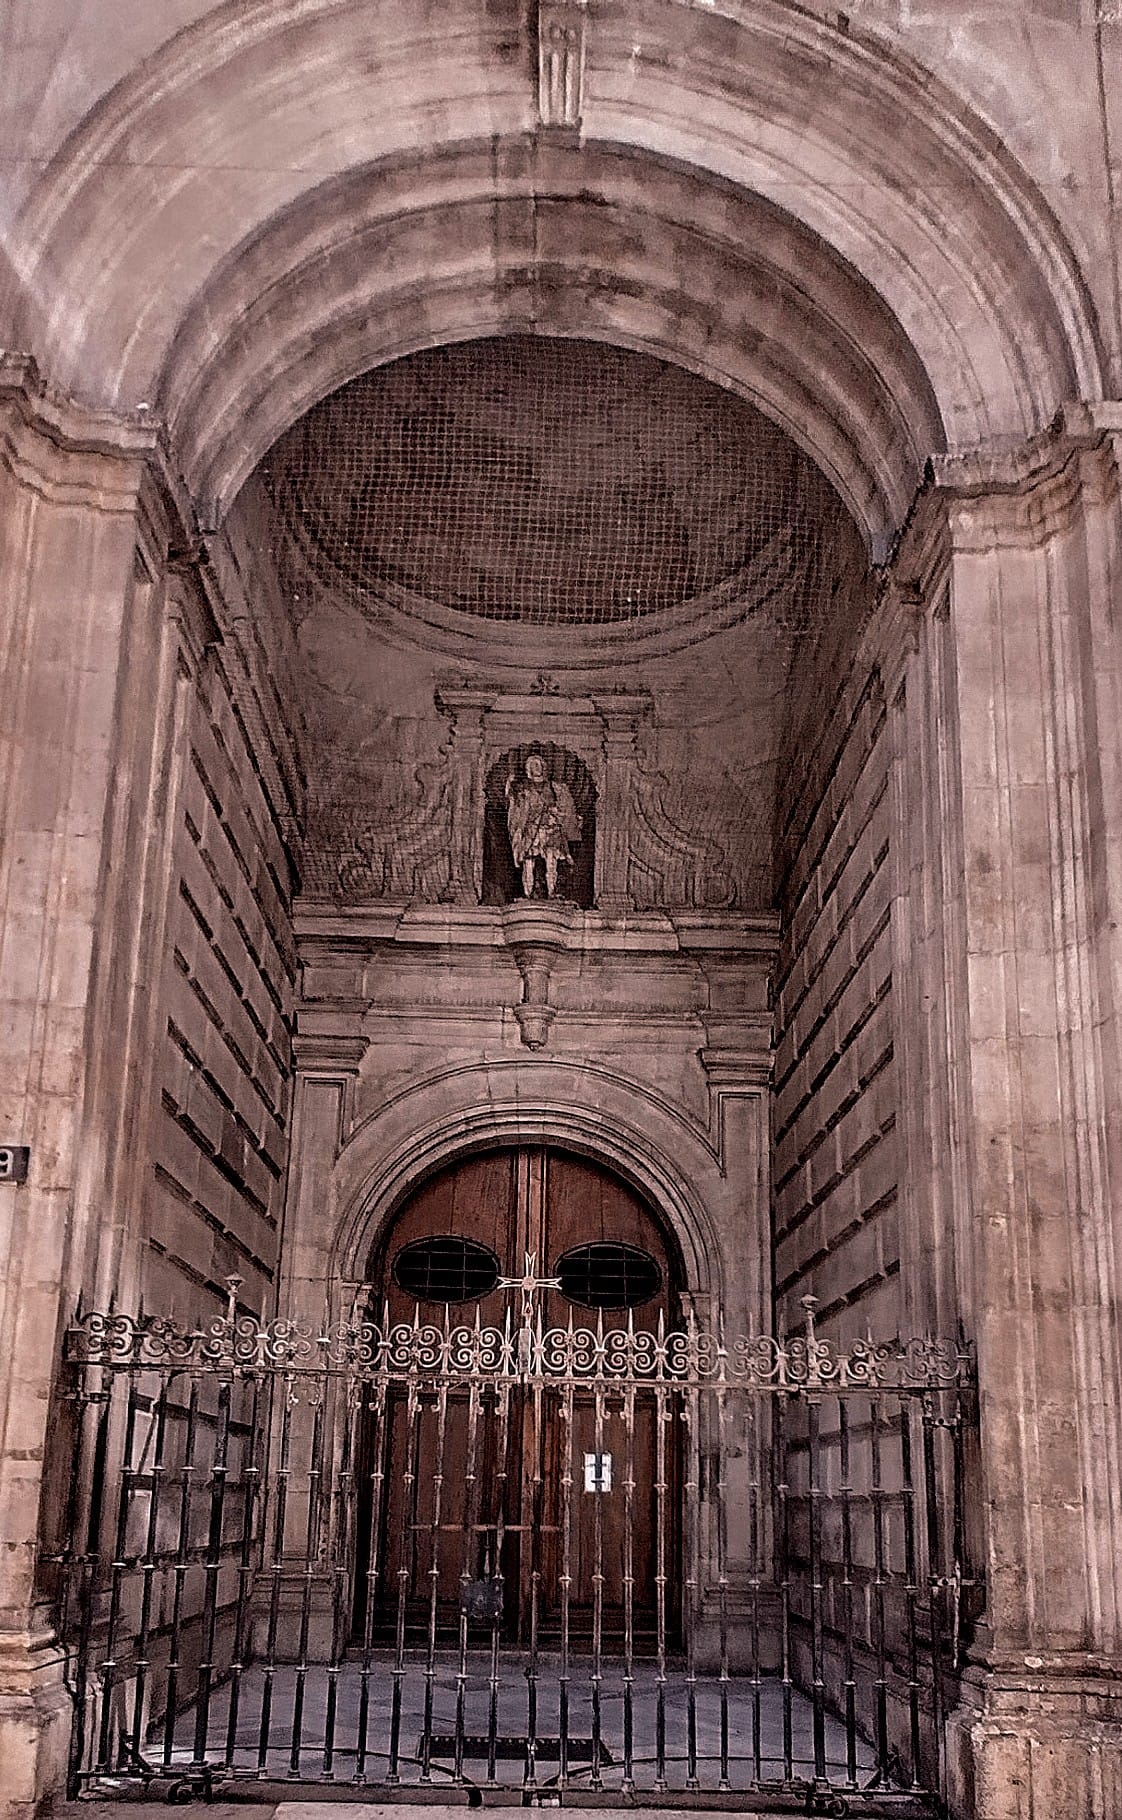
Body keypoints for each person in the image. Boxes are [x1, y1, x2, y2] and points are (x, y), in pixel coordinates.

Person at [505, 752, 582, 897]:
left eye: (539, 764)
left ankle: (551, 892)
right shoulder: (524, 789)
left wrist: (561, 813)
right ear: (529, 769)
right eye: (533, 765)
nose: (537, 767)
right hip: (532, 829)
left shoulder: (554, 787)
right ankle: (528, 893)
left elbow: (563, 805)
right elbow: (517, 807)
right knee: (529, 862)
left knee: (551, 862)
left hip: (550, 828)